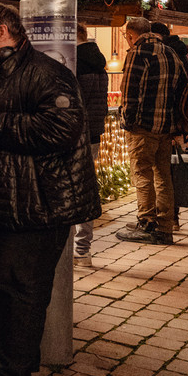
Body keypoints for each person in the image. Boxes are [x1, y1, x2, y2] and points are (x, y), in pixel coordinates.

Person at [0, 3, 99, 376]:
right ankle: (17, 364)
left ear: (3, 32)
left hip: (36, 204)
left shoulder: (44, 71)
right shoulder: (3, 72)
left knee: (20, 291)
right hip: (3, 202)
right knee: (4, 291)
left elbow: (61, 127)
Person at [115, 17, 187, 245]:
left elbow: (128, 92)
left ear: (130, 35)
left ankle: (146, 223)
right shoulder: (170, 53)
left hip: (143, 127)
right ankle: (165, 226)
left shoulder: (138, 53)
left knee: (142, 174)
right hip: (165, 127)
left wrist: (127, 121)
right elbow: (181, 90)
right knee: (163, 176)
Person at [73, 24, 108, 266]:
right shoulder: (99, 62)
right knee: (85, 189)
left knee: (69, 191)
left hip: (75, 136)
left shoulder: (74, 64)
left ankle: (70, 251)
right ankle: (82, 249)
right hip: (94, 134)